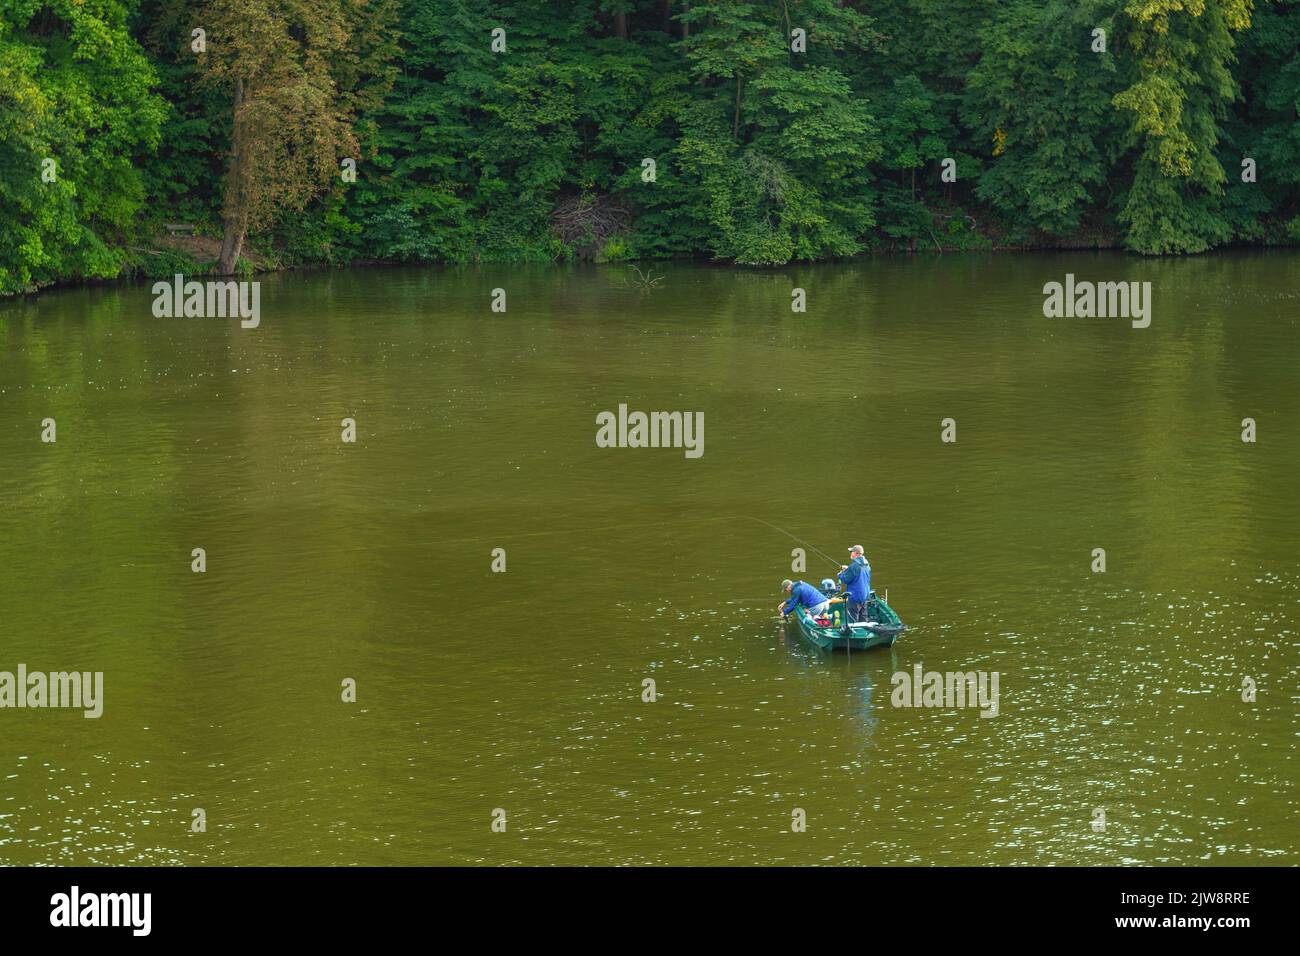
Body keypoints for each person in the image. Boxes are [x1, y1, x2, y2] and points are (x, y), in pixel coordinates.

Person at [837, 545, 872, 623]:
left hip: (855, 596)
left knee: (853, 620)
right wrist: (848, 568)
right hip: (865, 595)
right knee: (863, 618)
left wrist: (840, 575)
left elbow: (846, 580)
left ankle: (854, 634)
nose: (850, 553)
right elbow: (859, 574)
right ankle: (864, 633)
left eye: (851, 552)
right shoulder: (867, 564)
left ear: (856, 553)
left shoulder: (854, 566)